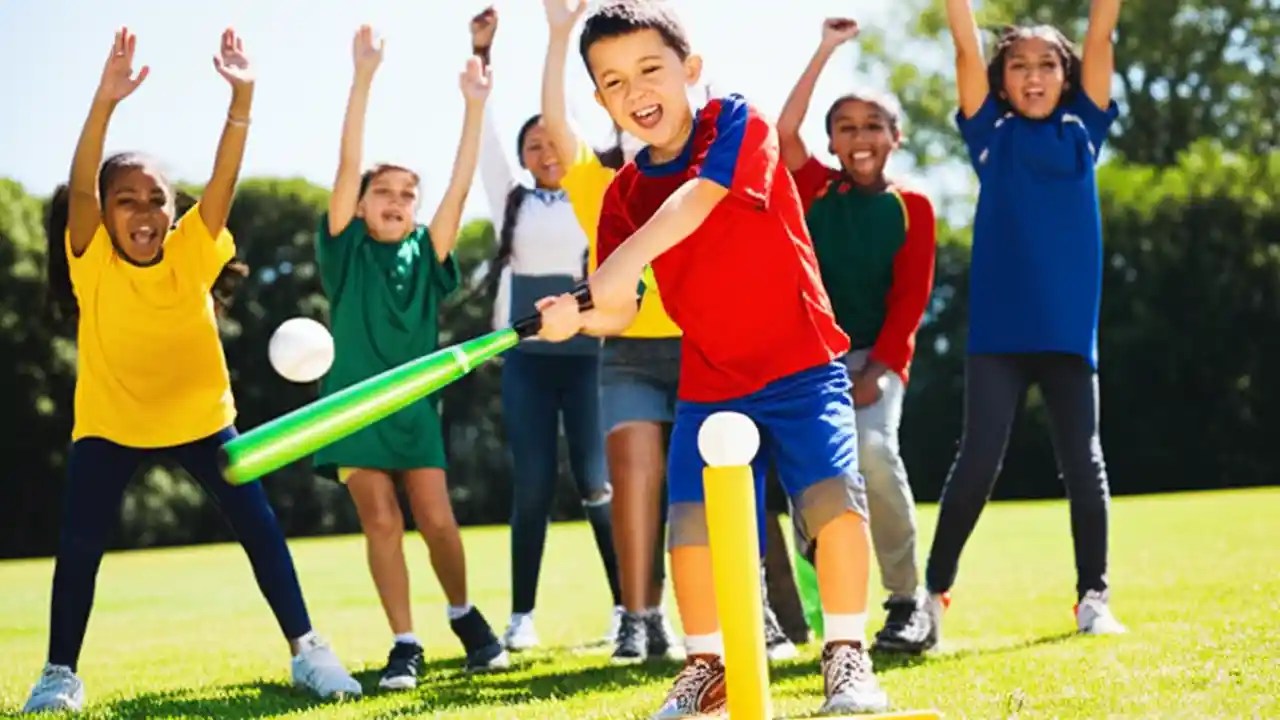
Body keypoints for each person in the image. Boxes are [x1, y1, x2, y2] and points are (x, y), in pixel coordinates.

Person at [537, 1, 890, 715]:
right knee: (691, 531)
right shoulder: (624, 195)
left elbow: (698, 203)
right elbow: (622, 307)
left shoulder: (737, 123)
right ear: (601, 100)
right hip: (712, 381)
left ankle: (847, 657)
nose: (634, 92)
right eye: (611, 83)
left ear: (689, 70)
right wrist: (572, 315)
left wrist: (609, 274)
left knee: (831, 504)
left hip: (801, 365)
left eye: (649, 70)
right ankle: (710, 670)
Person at [23, 28, 360, 714]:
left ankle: (307, 651)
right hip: (111, 425)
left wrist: (244, 95)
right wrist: (104, 102)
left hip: (203, 421)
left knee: (262, 531)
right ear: (103, 212)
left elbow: (226, 178)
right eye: (127, 200)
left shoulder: (192, 251)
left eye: (157, 200)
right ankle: (59, 675)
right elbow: (83, 182)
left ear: (174, 212)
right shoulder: (91, 257)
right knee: (79, 545)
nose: (144, 212)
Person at [923, 0, 1127, 642]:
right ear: (1001, 78)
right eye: (1018, 66)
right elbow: (962, 47)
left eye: (1046, 65)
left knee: (1084, 462)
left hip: (1069, 334)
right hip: (998, 337)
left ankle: (1093, 597)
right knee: (978, 460)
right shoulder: (991, 135)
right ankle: (931, 595)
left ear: (1066, 77)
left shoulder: (1082, 132)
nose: (1033, 76)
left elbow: (1102, 31)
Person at [313, 25, 508, 686]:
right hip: (353, 407)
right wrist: (363, 76)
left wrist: (473, 104)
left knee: (438, 521)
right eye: (383, 191)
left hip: (413, 407)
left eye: (406, 194)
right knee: (381, 519)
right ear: (362, 203)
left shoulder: (428, 251)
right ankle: (405, 643)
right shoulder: (344, 249)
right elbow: (346, 165)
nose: (395, 201)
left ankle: (463, 614)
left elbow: (457, 191)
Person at [777, 18, 939, 654]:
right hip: (811, 360)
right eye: (846, 127)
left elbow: (910, 303)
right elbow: (784, 132)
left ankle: (907, 603)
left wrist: (878, 372)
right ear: (833, 143)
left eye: (873, 125)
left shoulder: (914, 207)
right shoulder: (816, 188)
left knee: (873, 452)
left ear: (895, 138)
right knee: (814, 475)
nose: (860, 137)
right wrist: (824, 49)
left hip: (877, 359)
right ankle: (830, 618)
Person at [469, 6, 623, 652]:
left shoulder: (600, 187)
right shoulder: (511, 197)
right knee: (532, 482)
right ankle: (521, 615)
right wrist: (482, 52)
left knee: (597, 479)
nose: (543, 150)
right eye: (533, 144)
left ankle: (629, 609)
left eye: (553, 140)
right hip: (527, 361)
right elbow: (483, 133)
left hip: (591, 357)